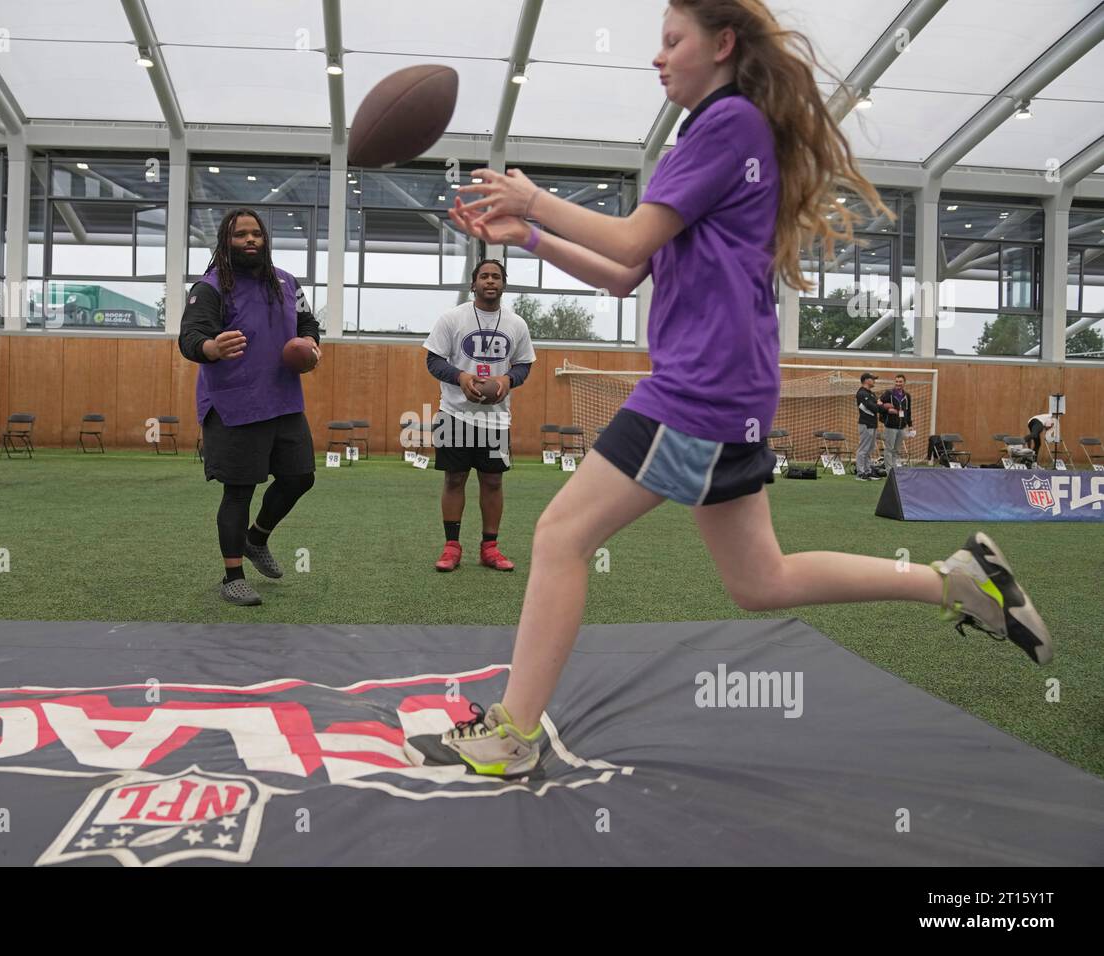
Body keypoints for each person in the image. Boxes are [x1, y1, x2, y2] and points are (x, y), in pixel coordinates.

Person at [405, 0, 1053, 777]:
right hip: (726, 392)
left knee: (558, 537)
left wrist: (533, 199)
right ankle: (954, 582)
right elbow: (626, 272)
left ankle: (514, 732)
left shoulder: (729, 124)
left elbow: (634, 238)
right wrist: (533, 236)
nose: (657, 57)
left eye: (672, 41)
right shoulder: (711, 138)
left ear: (722, 44)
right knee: (759, 581)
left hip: (698, 393)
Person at [178, 208, 321, 607]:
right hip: (233, 403)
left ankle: (256, 538)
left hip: (284, 400)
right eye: (240, 235)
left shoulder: (287, 282)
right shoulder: (209, 288)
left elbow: (308, 324)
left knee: (300, 477)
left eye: (256, 233)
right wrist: (211, 347)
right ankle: (232, 576)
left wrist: (310, 346)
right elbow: (189, 338)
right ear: (226, 242)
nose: (250, 240)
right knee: (239, 490)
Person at [423, 258, 535, 572]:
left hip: (496, 419)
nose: (490, 281)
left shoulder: (516, 324)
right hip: (453, 414)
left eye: (496, 277)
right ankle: (451, 546)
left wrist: (506, 380)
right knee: (454, 478)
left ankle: (490, 548)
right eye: (484, 276)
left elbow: (525, 365)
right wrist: (460, 377)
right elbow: (433, 361)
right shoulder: (452, 319)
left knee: (494, 482)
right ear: (474, 284)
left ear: (503, 284)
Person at [877, 373, 912, 471]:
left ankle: (894, 469)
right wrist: (887, 409)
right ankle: (889, 471)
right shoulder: (889, 393)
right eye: (896, 381)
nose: (898, 383)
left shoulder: (907, 396)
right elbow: (878, 403)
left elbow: (908, 411)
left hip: (902, 427)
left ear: (904, 383)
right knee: (889, 449)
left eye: (900, 382)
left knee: (896, 450)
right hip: (890, 427)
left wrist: (910, 425)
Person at [854, 372, 880, 480]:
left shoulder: (871, 394)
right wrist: (881, 406)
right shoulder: (861, 393)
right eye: (872, 379)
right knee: (863, 449)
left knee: (869, 449)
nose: (874, 381)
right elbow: (873, 407)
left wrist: (879, 405)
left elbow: (878, 404)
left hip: (873, 424)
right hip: (865, 423)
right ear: (866, 380)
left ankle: (868, 471)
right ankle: (860, 472)